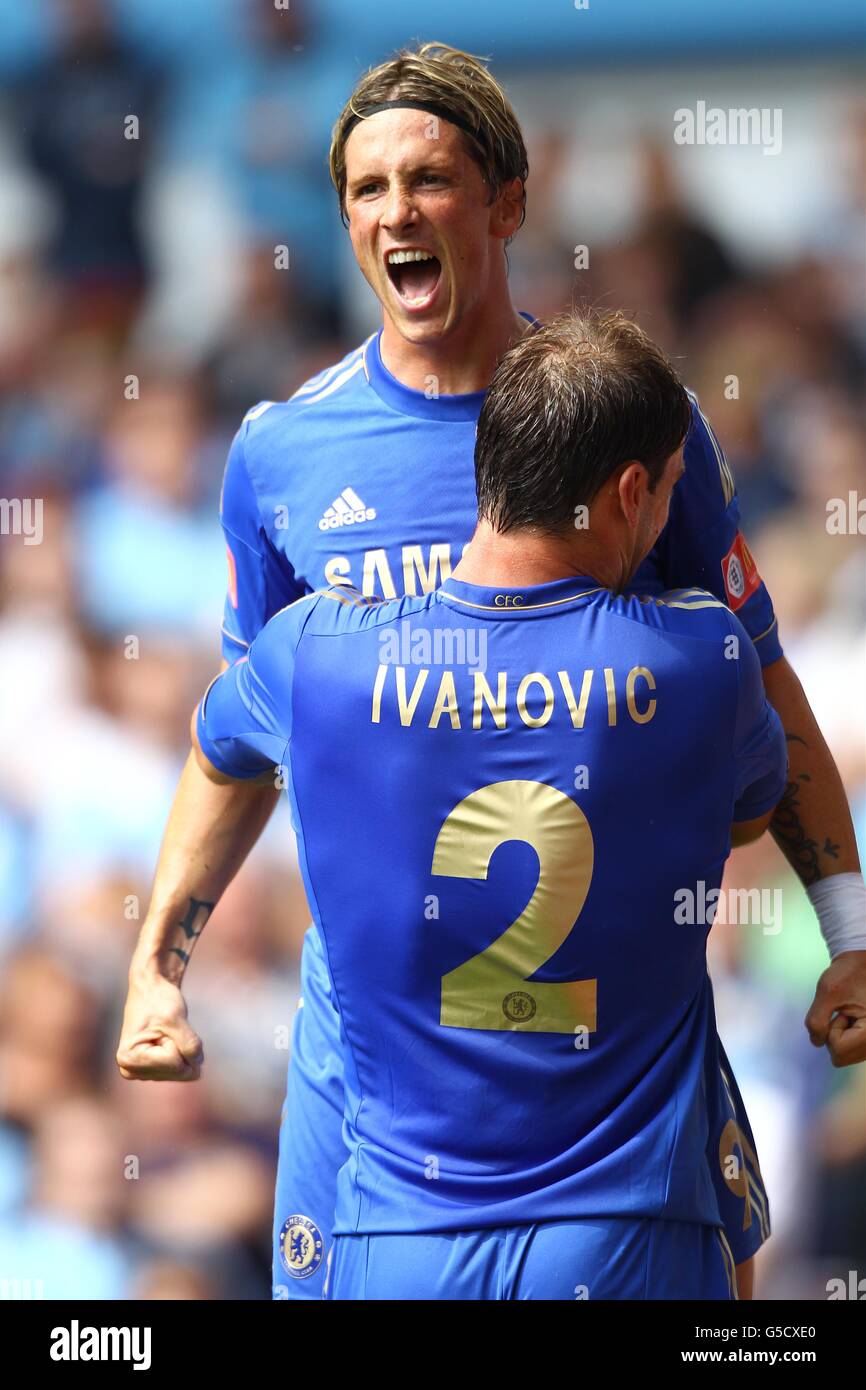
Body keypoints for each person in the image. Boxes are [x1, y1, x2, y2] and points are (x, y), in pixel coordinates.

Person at [116, 43, 866, 1301]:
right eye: (363, 190)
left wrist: (844, 929)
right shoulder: (283, 453)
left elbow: (764, 675)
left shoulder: (632, 420)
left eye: (429, 180)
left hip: (615, 1035)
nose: (394, 214)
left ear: (508, 202)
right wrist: (163, 956)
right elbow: (239, 738)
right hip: (378, 1052)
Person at [190, 310, 787, 1299]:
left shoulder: (316, 654)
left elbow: (216, 755)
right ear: (631, 491)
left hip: (397, 1229)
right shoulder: (698, 657)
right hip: (623, 1220)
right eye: (670, 490)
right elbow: (747, 810)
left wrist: (159, 964)